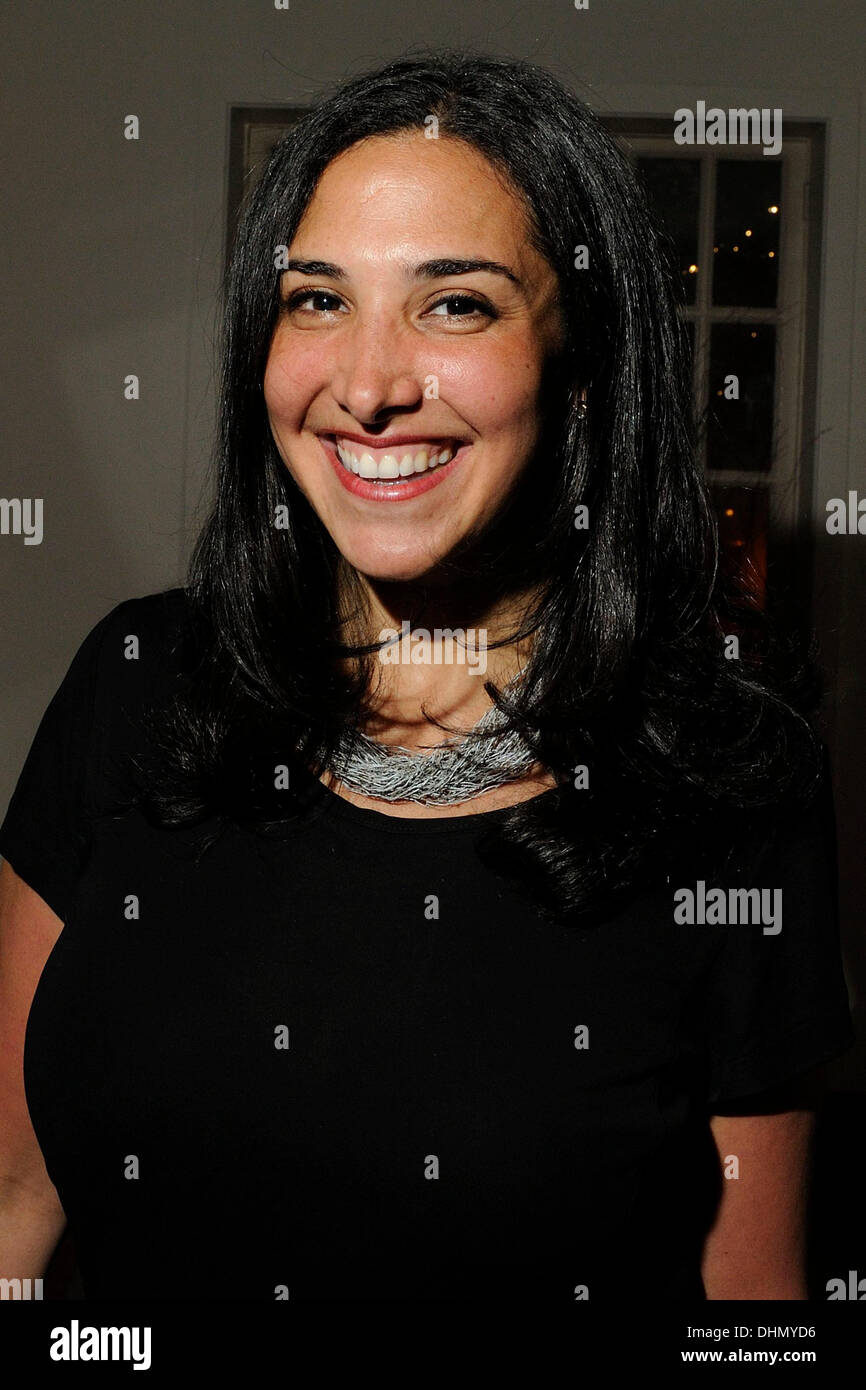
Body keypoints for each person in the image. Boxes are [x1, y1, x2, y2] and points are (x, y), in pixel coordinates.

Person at [0, 49, 854, 1302]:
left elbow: (745, 1302)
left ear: (578, 369)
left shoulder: (732, 782)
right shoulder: (137, 684)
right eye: (317, 300)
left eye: (455, 304)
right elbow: (16, 1197)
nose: (367, 385)